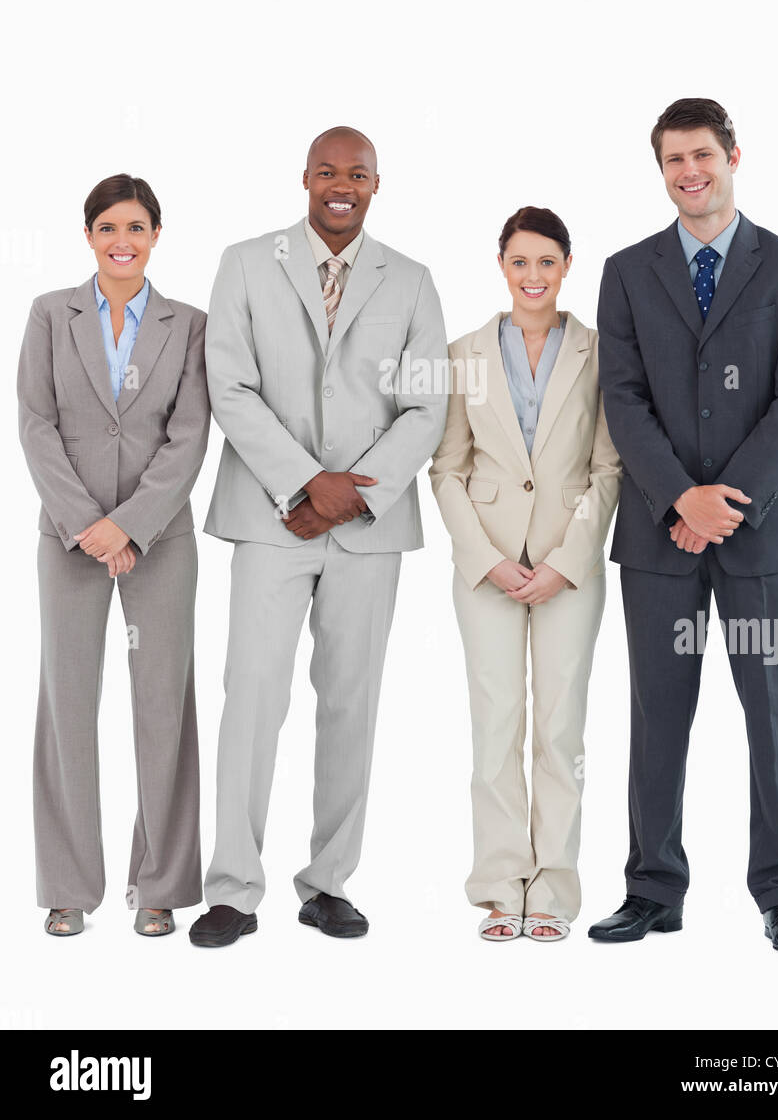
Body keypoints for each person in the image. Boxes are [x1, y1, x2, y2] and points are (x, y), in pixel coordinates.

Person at [190, 126, 448, 947]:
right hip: (270, 517)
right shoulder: (243, 262)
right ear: (306, 177)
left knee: (350, 702)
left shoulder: (410, 281)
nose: (343, 185)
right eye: (329, 172)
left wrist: (344, 496)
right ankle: (232, 887)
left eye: (359, 174)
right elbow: (227, 383)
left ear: (377, 184)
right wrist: (304, 482)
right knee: (253, 695)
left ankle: (328, 881)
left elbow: (427, 405)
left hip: (367, 527)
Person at [591, 97, 778, 952]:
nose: (689, 172)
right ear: (660, 172)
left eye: (702, 155)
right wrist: (676, 498)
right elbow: (622, 396)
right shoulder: (626, 270)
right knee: (658, 712)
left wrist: (722, 503)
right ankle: (653, 887)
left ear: (734, 155)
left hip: (763, 534)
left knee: (774, 710)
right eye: (673, 161)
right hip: (659, 538)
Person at [17, 174, 210, 938]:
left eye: (136, 226)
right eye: (107, 227)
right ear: (89, 236)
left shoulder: (187, 324)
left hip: (160, 540)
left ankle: (159, 884)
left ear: (157, 234)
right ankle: (68, 887)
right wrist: (86, 524)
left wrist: (130, 526)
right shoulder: (49, 316)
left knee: (164, 705)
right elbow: (35, 423)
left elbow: (190, 433)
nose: (121, 239)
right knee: (67, 706)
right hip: (68, 541)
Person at [429, 207, 621, 942]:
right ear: (501, 265)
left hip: (569, 566)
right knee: (496, 723)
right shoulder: (464, 353)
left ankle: (555, 892)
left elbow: (608, 466)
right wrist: (486, 559)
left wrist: (568, 562)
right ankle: (500, 887)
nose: (533, 276)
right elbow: (446, 468)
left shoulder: (602, 352)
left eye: (547, 261)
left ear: (567, 265)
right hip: (488, 567)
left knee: (560, 727)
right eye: (520, 262)